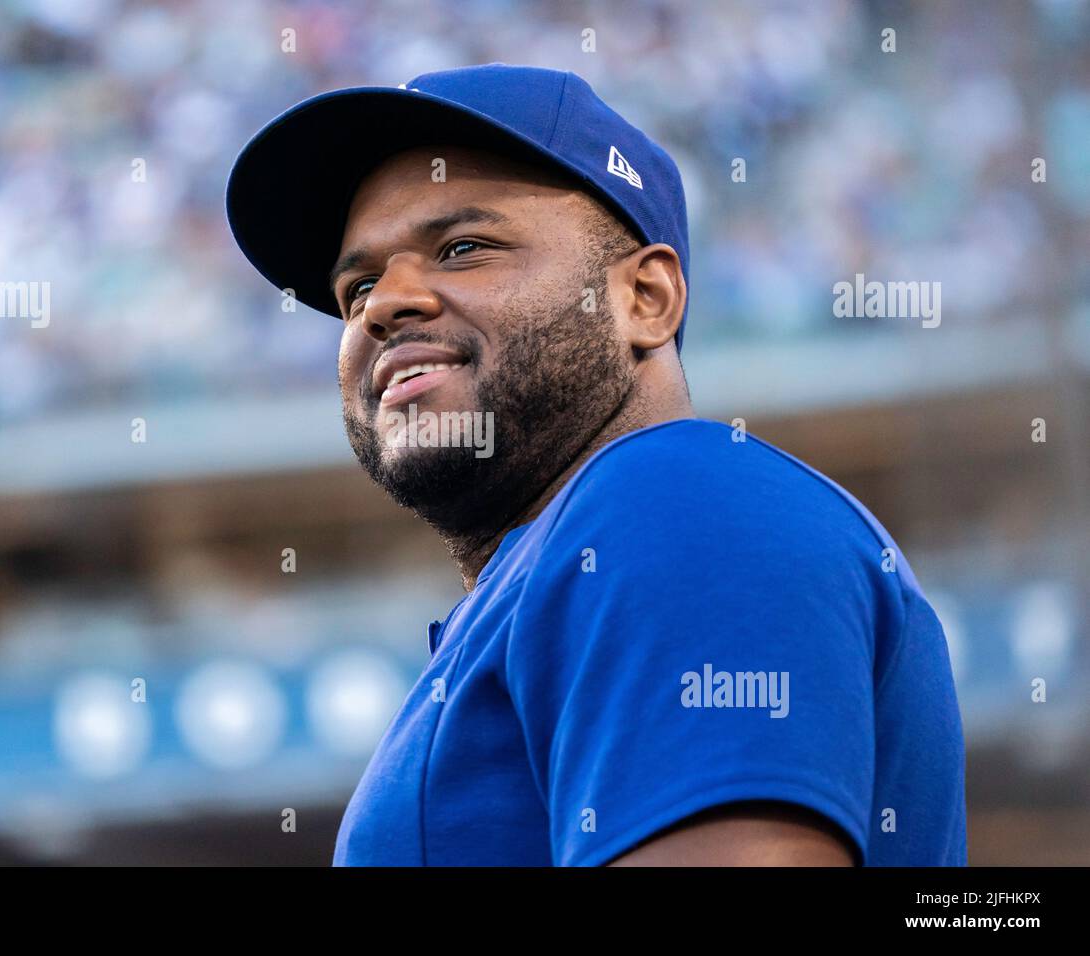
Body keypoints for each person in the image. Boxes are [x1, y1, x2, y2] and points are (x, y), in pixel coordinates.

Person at [226, 63, 966, 866]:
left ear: (644, 298)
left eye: (463, 247)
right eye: (357, 285)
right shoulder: (547, 580)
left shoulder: (674, 500)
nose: (383, 304)